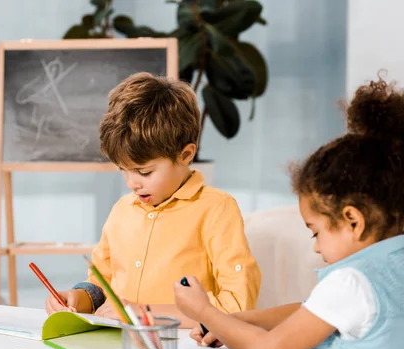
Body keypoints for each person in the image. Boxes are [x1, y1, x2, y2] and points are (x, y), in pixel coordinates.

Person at [174, 76, 404, 349]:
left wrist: (204, 311)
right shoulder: (401, 267)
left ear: (353, 221)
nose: (316, 246)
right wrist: (235, 321)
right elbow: (309, 312)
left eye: (316, 231)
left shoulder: (351, 283)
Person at [45, 72, 261, 326]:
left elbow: (237, 303)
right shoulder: (122, 211)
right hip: (119, 346)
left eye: (144, 172)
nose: (132, 183)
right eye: (123, 170)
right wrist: (79, 297)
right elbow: (101, 282)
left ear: (185, 154)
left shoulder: (216, 209)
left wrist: (146, 313)